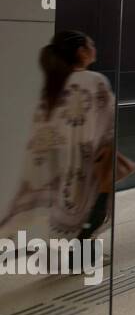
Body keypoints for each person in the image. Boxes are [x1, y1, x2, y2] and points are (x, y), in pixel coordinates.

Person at [3, 30, 116, 242]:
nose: (94, 49)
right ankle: (81, 257)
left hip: (61, 163)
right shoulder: (95, 80)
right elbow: (106, 123)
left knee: (67, 216)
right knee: (92, 213)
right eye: (90, 45)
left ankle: (68, 256)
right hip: (90, 160)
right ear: (82, 52)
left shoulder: (54, 84)